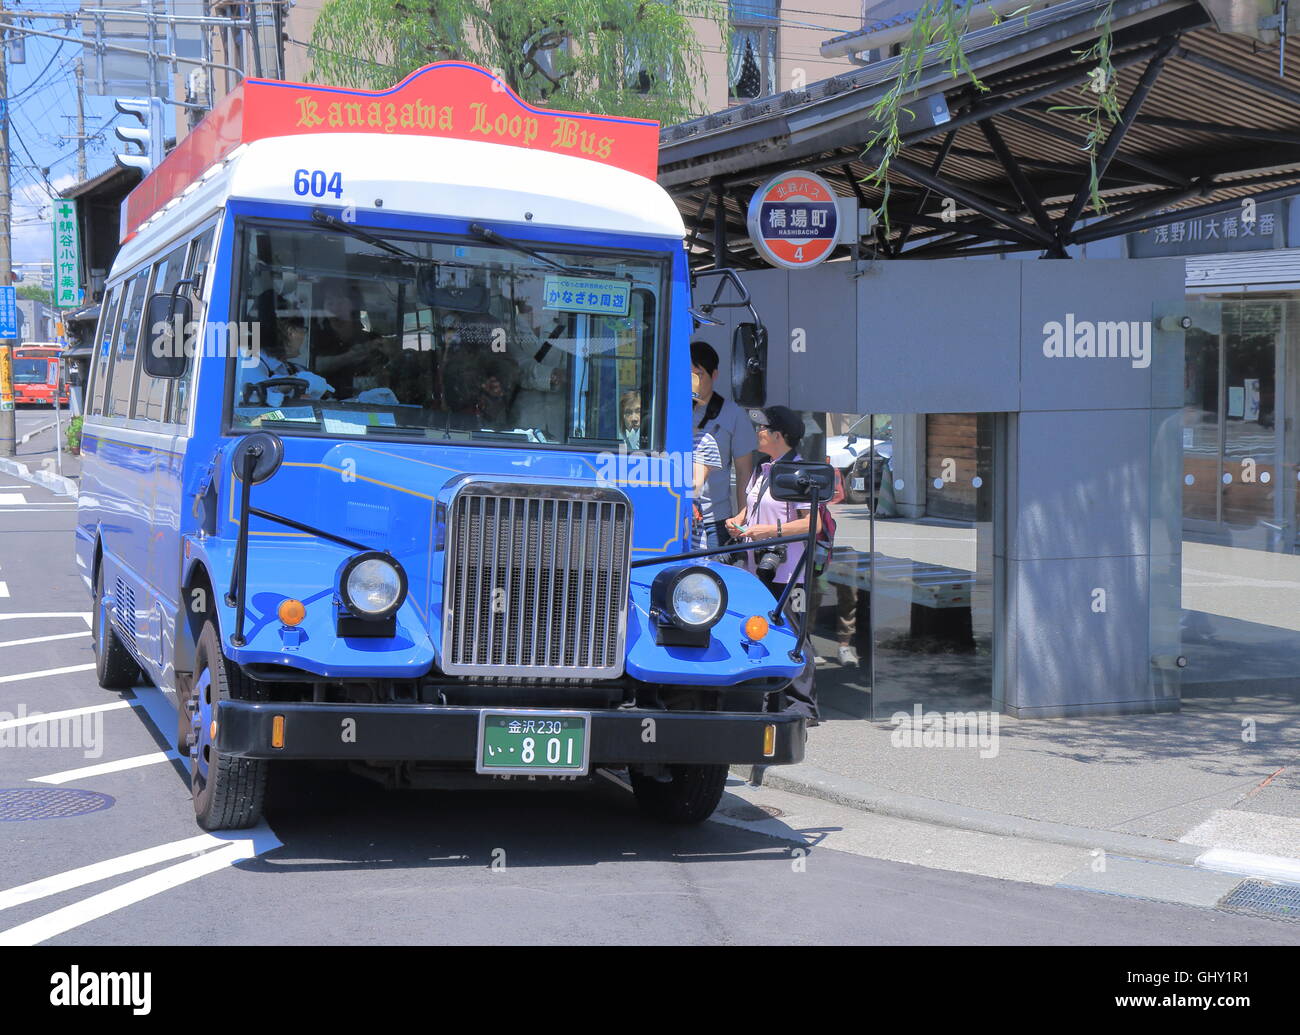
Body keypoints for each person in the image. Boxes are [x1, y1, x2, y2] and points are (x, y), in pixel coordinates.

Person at [725, 405, 819, 725]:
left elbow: (813, 524)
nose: (757, 433)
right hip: (759, 567)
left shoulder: (797, 471)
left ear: (779, 435)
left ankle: (803, 707)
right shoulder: (763, 467)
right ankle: (769, 700)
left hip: (789, 572)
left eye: (762, 429)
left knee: (793, 636)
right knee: (762, 632)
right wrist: (738, 520)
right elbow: (752, 506)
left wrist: (772, 532)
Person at [691, 342, 757, 549]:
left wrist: (742, 515)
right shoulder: (668, 409)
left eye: (699, 374)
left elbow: (744, 472)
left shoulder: (733, 414)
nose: (692, 382)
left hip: (714, 521)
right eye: (687, 374)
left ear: (714, 375)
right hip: (675, 515)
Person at [311, 280, 385, 398]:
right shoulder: (313, 336)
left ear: (353, 305)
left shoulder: (371, 339)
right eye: (330, 302)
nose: (335, 307)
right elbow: (313, 365)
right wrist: (350, 356)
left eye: (341, 301)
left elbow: (385, 374)